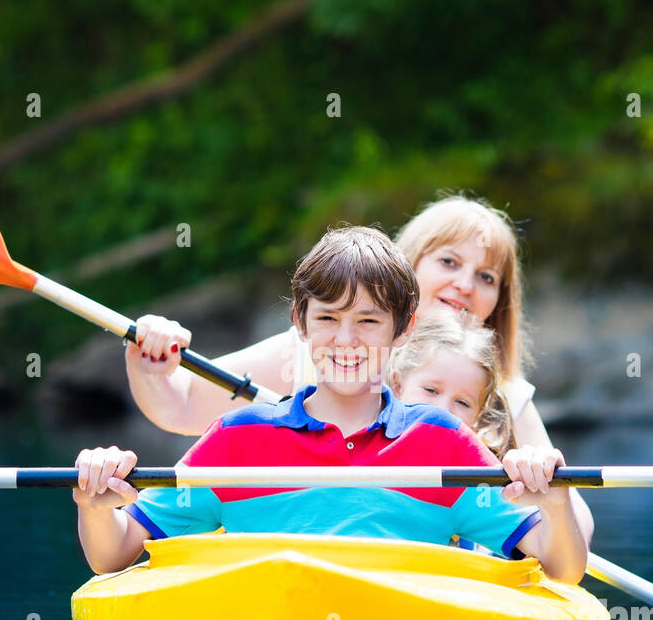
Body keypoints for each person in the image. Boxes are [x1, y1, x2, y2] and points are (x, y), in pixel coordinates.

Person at [75, 226, 589, 582]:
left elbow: (562, 566)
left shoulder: (444, 442)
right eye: (327, 319)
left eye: (368, 321)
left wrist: (554, 499)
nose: (346, 340)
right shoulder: (236, 439)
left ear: (403, 329)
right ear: (300, 323)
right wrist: (95, 503)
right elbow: (113, 555)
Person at [124, 194, 557, 449]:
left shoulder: (503, 394)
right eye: (449, 262)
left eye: (486, 277)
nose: (465, 284)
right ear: (409, 267)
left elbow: (575, 524)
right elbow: (178, 405)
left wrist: (538, 485)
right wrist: (150, 355)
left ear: (499, 300)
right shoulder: (318, 351)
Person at [386, 309, 594, 545]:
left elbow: (559, 561)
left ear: (478, 417)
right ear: (397, 385)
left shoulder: (478, 484)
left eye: (462, 402)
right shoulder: (360, 442)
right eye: (431, 390)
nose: (443, 410)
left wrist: (555, 506)